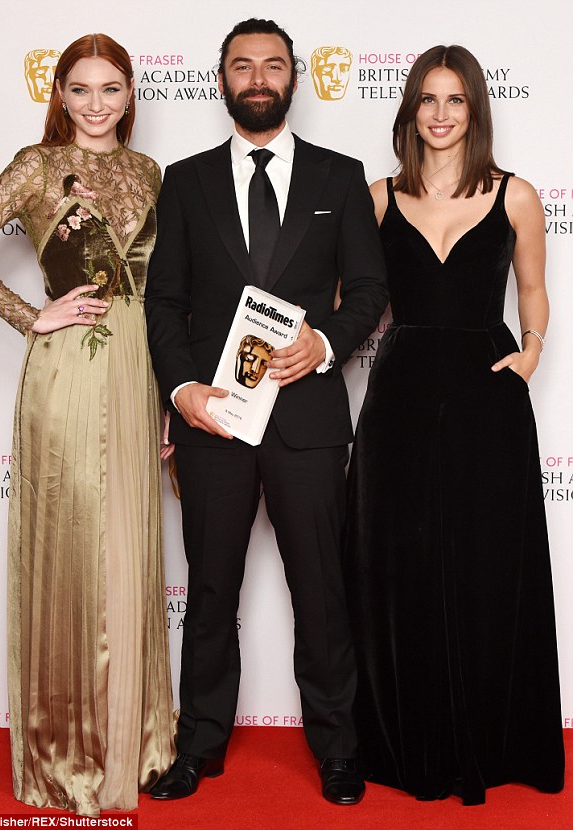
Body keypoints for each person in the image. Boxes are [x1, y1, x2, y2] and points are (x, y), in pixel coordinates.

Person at [145, 17, 387, 806]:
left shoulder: (339, 176)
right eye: (242, 65)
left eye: (271, 65)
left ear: (294, 77)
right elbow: (166, 301)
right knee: (210, 592)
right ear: (221, 79)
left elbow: (372, 291)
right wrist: (183, 394)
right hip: (214, 423)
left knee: (321, 590)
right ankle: (198, 746)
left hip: (307, 421)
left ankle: (339, 749)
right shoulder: (184, 181)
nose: (257, 77)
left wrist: (325, 343)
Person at [0, 34, 175, 816]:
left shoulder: (149, 173)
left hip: (139, 369)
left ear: (131, 93)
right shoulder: (37, 165)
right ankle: (69, 750)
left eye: (113, 89)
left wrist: (175, 392)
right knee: (77, 544)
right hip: (70, 371)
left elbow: (166, 287)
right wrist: (29, 315)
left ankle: (137, 738)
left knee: (129, 547)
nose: (98, 104)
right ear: (61, 95)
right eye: (82, 89)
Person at [343, 44, 565, 805]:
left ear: (476, 109)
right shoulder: (374, 198)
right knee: (398, 565)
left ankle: (492, 739)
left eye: (456, 101)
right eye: (428, 101)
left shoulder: (517, 195)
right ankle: (409, 741)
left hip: (486, 397)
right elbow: (345, 305)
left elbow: (533, 290)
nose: (441, 115)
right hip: (399, 396)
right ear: (410, 111)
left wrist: (531, 354)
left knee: (487, 567)